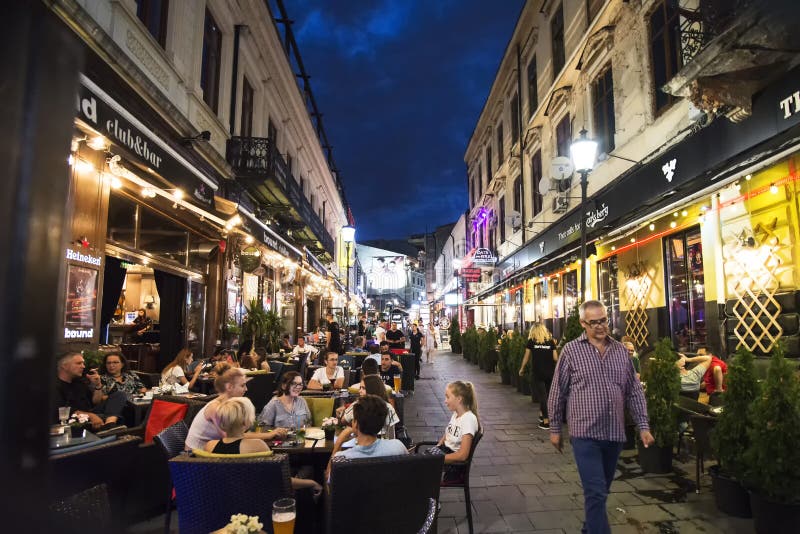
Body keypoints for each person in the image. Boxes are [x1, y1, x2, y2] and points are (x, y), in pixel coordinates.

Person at [548, 300, 653, 534]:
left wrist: (643, 426)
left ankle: (589, 529)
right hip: (585, 434)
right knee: (595, 492)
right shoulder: (571, 351)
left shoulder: (619, 351)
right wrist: (555, 429)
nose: (600, 326)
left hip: (614, 433)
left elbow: (633, 391)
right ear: (583, 323)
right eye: (593, 322)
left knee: (601, 491)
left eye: (603, 320)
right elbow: (557, 391)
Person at [204, 397, 322, 497]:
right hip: (257, 501)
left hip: (222, 502)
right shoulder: (257, 445)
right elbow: (279, 479)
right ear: (246, 422)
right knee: (308, 471)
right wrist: (311, 483)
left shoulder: (209, 446)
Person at [185, 366, 287, 450]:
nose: (246, 389)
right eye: (242, 385)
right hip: (196, 458)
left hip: (215, 451)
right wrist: (269, 435)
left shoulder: (230, 405)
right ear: (229, 387)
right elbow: (232, 437)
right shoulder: (216, 408)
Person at [326, 394, 408, 480]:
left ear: (356, 423)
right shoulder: (398, 447)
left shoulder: (341, 459)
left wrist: (339, 442)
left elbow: (330, 484)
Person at [55, 352, 126, 431]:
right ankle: (108, 428)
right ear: (64, 366)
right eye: (79, 363)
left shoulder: (79, 382)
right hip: (73, 419)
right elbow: (63, 411)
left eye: (83, 363)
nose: (83, 366)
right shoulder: (54, 386)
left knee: (119, 395)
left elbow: (95, 402)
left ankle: (109, 424)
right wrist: (91, 416)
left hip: (90, 413)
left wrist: (98, 385)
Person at [427, 381, 480, 483]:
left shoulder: (468, 419)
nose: (445, 401)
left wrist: (437, 459)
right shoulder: (456, 414)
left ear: (459, 399)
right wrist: (437, 446)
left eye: (448, 397)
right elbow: (447, 433)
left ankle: (426, 496)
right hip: (444, 452)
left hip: (454, 465)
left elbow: (463, 455)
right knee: (415, 464)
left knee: (416, 467)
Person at [519, 323, 558, 430]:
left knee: (542, 396)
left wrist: (522, 368)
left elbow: (526, 357)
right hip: (550, 372)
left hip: (538, 372)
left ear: (533, 331)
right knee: (548, 396)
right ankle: (542, 415)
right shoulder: (550, 342)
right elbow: (555, 358)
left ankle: (546, 421)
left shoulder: (532, 342)